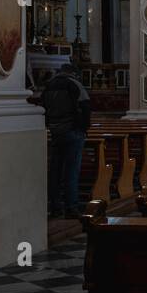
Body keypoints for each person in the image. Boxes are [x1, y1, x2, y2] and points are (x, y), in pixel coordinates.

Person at [42, 64, 92, 219]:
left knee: (55, 171)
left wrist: (50, 125)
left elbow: (43, 107)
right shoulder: (74, 84)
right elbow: (85, 106)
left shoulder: (49, 86)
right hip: (72, 130)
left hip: (55, 131)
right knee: (71, 170)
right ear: (73, 73)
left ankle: (55, 207)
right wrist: (83, 128)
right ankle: (71, 207)